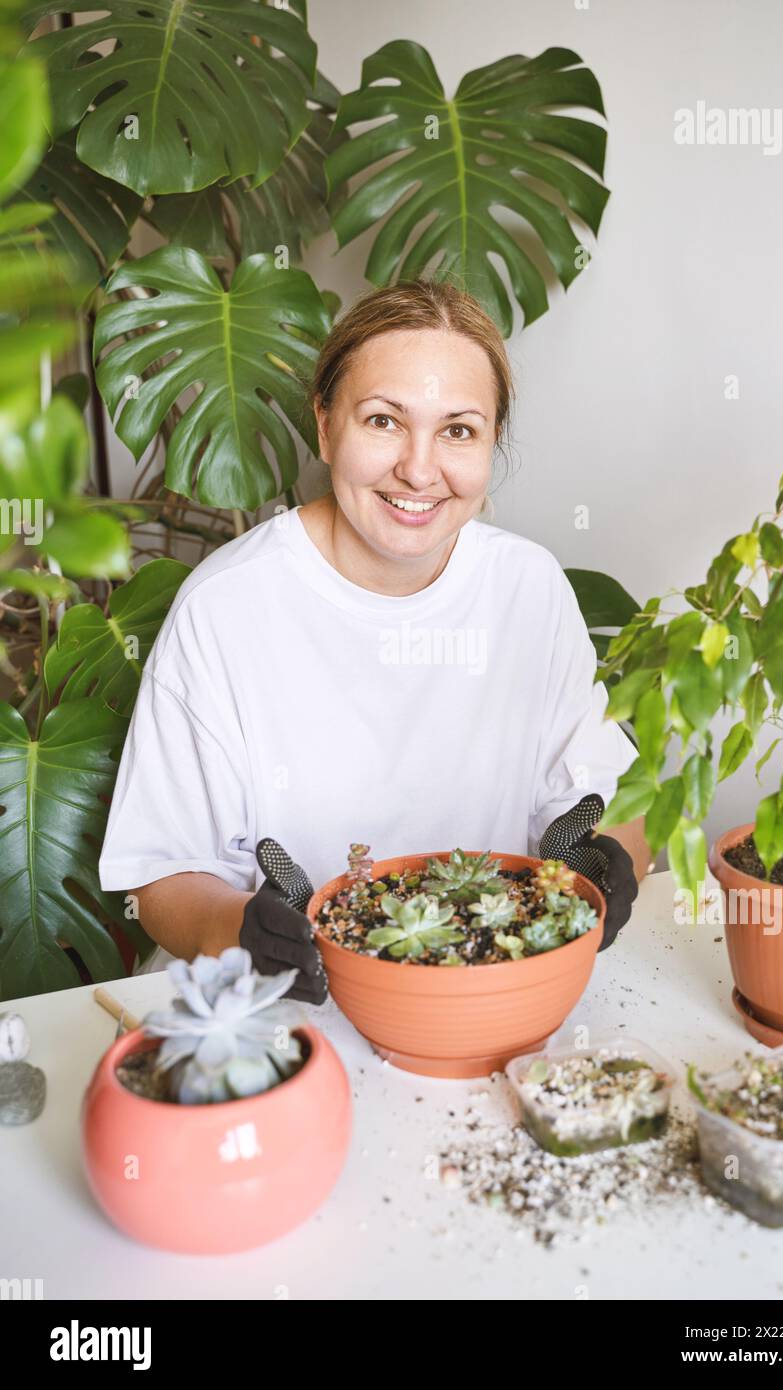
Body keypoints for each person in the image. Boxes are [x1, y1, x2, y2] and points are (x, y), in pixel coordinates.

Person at [98, 280, 651, 1002]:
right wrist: (246, 929)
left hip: (473, 993)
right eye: (384, 420)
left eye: (458, 430)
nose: (419, 470)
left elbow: (615, 801)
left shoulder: (528, 587)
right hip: (282, 1012)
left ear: (490, 446)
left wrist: (608, 858)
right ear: (325, 426)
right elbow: (161, 874)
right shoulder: (226, 608)